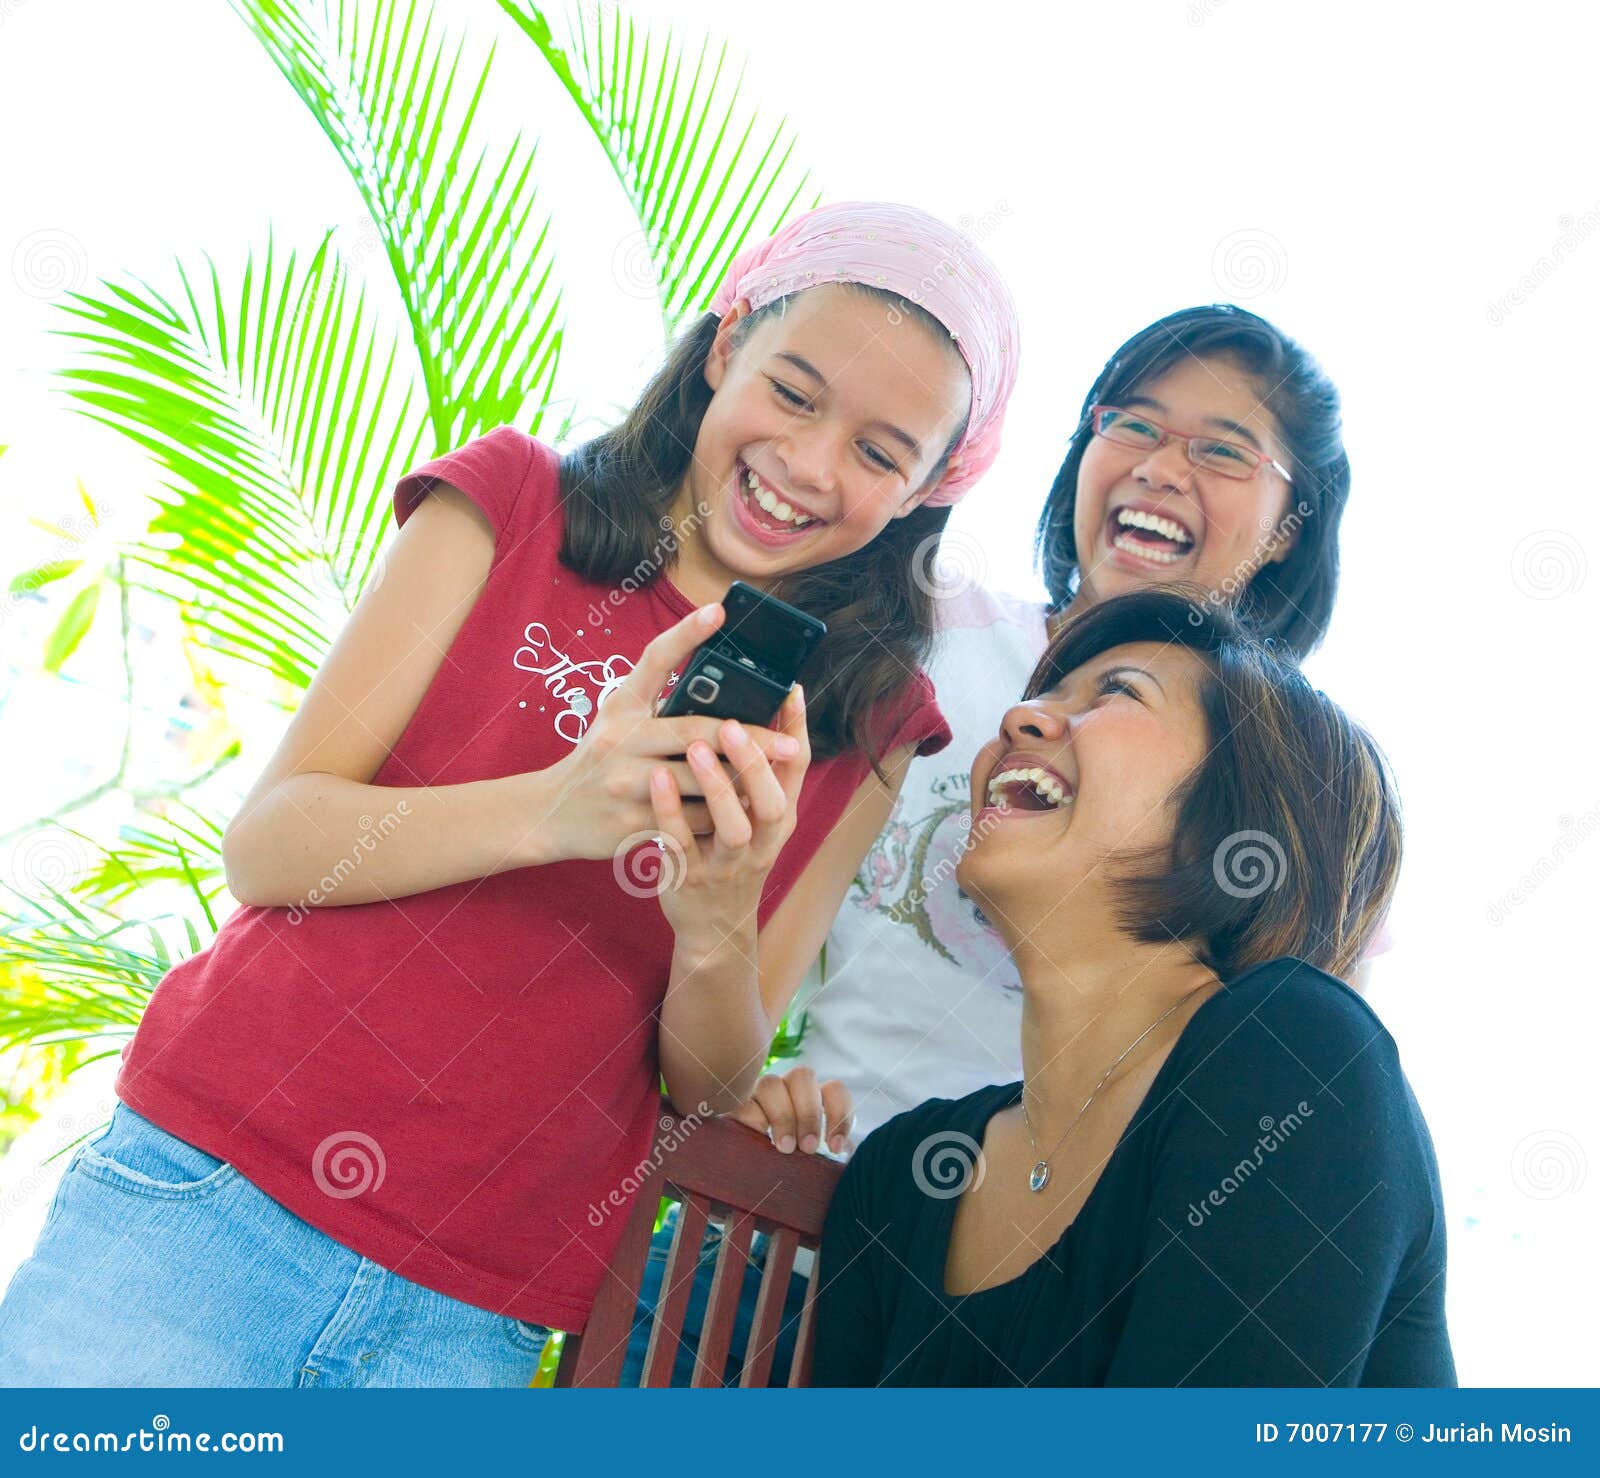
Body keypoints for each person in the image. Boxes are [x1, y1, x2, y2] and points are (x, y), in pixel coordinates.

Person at [0, 200, 1021, 1387]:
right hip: (206, 1197)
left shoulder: (870, 723)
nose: (808, 463)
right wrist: (557, 807)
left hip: (475, 1311)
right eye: (793, 392)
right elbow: (272, 844)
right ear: (723, 345)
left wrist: (714, 921)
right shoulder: (510, 502)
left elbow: (713, 1084)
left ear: (928, 487)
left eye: (880, 450)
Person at [624, 304, 1358, 1384]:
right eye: (1135, 425)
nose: (1160, 467)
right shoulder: (925, 631)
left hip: (1025, 1312)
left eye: (1220, 450)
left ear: (1290, 522)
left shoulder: (1298, 790)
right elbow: (734, 942)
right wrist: (744, 1089)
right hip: (779, 1224)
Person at [812, 589, 1454, 1386]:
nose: (1021, 721)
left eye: (1116, 692)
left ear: (1234, 811)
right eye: (1040, 695)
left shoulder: (1297, 1055)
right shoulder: (899, 1174)